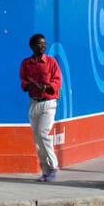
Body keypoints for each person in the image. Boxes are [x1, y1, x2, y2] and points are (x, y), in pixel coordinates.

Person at [19, 33, 62, 181]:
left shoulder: (51, 62)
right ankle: (45, 171)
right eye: (39, 43)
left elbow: (57, 81)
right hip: (34, 103)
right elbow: (23, 81)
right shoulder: (26, 63)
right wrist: (29, 85)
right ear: (32, 46)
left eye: (44, 43)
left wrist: (47, 86)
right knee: (37, 139)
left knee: (43, 134)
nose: (43, 45)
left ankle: (54, 164)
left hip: (48, 103)